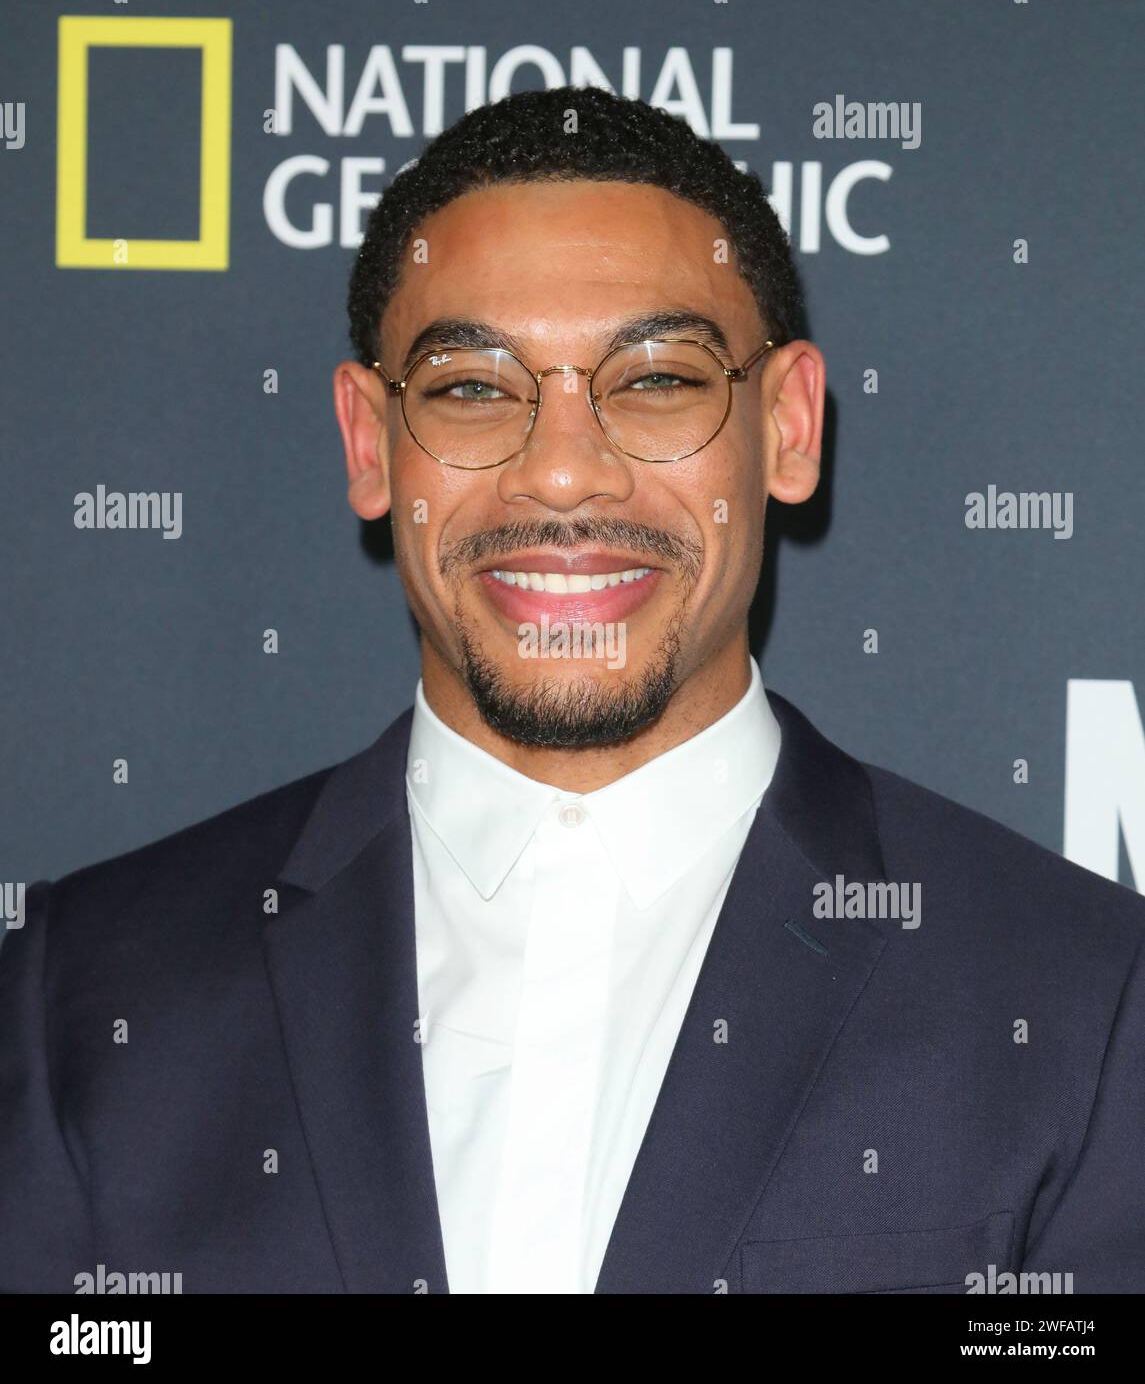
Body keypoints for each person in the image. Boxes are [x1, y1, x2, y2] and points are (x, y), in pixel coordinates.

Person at [2, 87, 1143, 1296]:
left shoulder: (1079, 1003)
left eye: (654, 380)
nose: (556, 475)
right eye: (471, 388)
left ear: (787, 426)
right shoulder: (87, 994)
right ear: (365, 441)